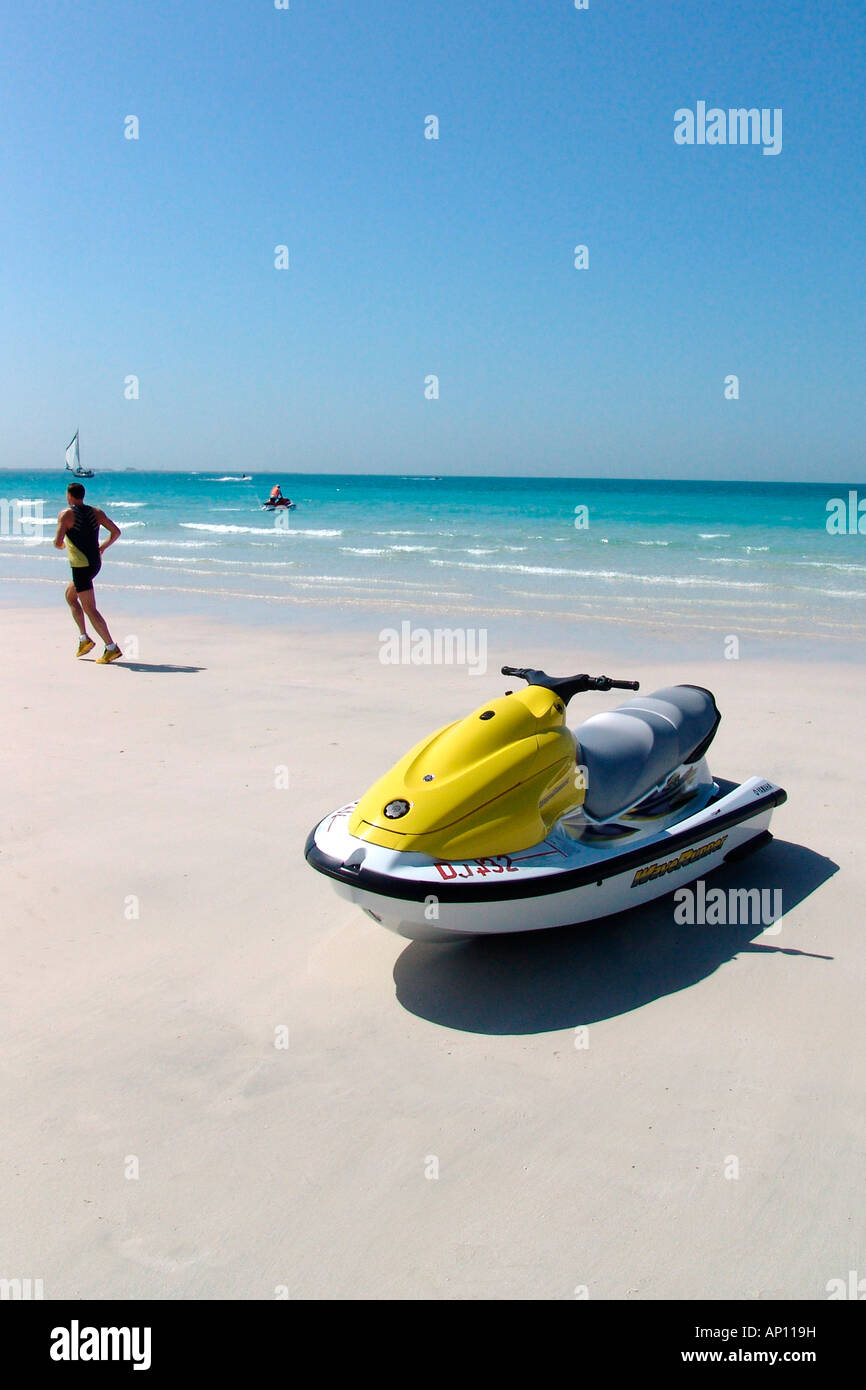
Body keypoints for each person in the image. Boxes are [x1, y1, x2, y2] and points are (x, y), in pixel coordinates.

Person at [53, 483, 123, 663]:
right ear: (82, 496)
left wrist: (62, 545)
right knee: (70, 596)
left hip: (81, 567)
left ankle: (111, 647)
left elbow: (58, 541)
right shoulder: (96, 512)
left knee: (90, 608)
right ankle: (84, 639)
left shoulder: (66, 514)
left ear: (69, 496)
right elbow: (116, 532)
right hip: (94, 563)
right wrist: (102, 548)